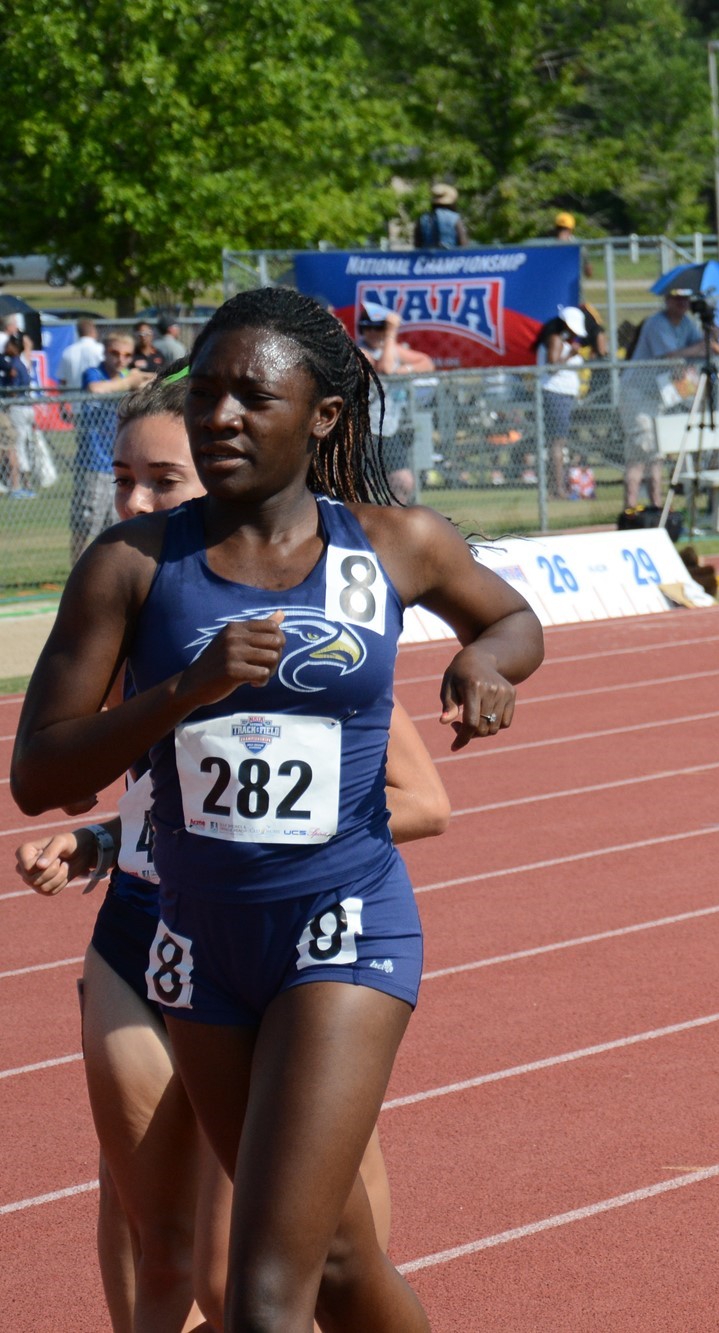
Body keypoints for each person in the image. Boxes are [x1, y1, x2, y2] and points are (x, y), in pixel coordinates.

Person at [10, 286, 543, 1332]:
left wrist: (487, 662)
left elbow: (514, 617)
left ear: (324, 416)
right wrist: (182, 691)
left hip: (342, 925)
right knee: (340, 1264)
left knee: (259, 1300)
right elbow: (39, 775)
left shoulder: (397, 545)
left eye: (252, 397)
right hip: (195, 936)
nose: (220, 418)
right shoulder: (130, 568)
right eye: (206, 395)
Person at [624, 284, 710, 510]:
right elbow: (671, 356)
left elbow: (701, 349)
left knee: (657, 452)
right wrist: (701, 346)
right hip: (637, 393)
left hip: (658, 396)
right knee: (641, 448)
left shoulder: (687, 323)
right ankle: (630, 506)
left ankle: (656, 504)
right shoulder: (657, 323)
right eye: (676, 299)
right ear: (667, 300)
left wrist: (710, 338)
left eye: (685, 299)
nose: (682, 303)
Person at [75, 335, 153, 560]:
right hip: (93, 463)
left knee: (117, 526)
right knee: (86, 523)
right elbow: (96, 389)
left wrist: (145, 379)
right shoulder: (94, 373)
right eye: (115, 353)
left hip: (122, 465)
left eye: (127, 355)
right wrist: (130, 382)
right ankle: (76, 573)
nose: (121, 360)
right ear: (105, 352)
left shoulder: (129, 376)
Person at [356, 305, 436, 505]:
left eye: (379, 328)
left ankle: (394, 522)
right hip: (366, 430)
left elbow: (426, 362)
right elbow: (384, 368)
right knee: (363, 485)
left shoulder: (392, 351)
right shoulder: (360, 350)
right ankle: (364, 526)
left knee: (404, 481)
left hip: (390, 430)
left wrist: (403, 369)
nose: (373, 333)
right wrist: (391, 334)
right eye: (368, 328)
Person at [537, 306, 588, 497]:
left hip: (564, 395)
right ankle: (557, 487)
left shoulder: (563, 339)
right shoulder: (555, 339)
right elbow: (552, 365)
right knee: (557, 443)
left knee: (560, 442)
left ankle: (559, 485)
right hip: (555, 394)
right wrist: (570, 356)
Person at [2, 332, 34, 497]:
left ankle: (24, 484)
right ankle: (25, 484)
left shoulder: (14, 364)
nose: (6, 348)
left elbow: (13, 391)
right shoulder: (21, 362)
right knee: (24, 445)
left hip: (18, 408)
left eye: (9, 345)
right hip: (26, 407)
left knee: (18, 446)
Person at [415, 183, 469, 250]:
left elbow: (417, 246)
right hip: (451, 258)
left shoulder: (422, 219)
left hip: (427, 259)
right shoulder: (455, 218)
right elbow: (463, 245)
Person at [58, 317, 106, 389]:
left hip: (73, 397)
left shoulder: (68, 351)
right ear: (93, 331)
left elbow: (62, 380)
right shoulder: (101, 349)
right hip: (98, 397)